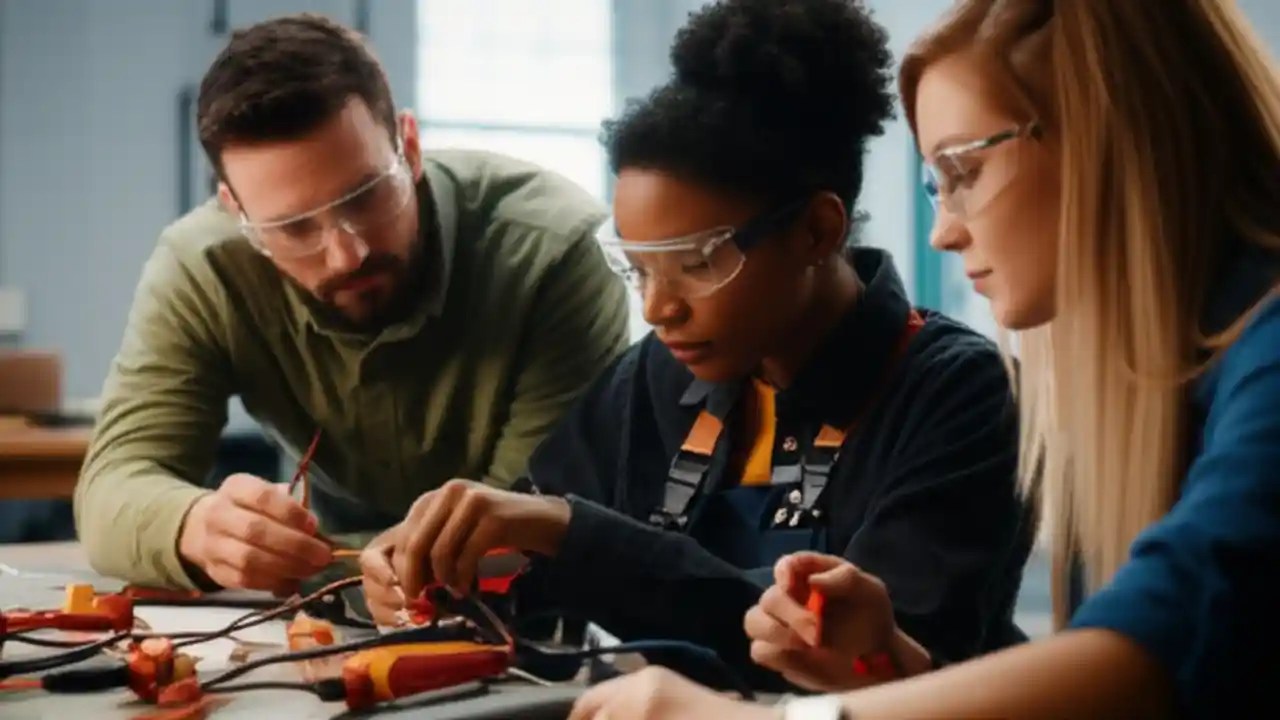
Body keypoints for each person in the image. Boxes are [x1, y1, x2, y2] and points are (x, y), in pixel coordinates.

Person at [567, 0, 1280, 717]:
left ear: (1111, 141)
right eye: (935, 184)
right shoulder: (1165, 384)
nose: (943, 232)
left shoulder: (1263, 355)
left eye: (964, 171)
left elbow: (1156, 651)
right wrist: (887, 668)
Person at [360, 0, 1032, 691]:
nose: (658, 309)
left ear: (816, 232)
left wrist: (570, 533)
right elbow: (532, 559)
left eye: (697, 263)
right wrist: (444, 568)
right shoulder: (656, 376)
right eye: (639, 269)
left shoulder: (960, 392)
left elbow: (862, 659)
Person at [73, 14, 629, 594]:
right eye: (293, 227)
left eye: (365, 196)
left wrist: (320, 570)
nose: (346, 255)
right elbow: (113, 488)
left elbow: (532, 529)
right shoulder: (203, 266)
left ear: (409, 147)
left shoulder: (555, 249)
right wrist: (195, 526)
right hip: (316, 605)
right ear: (238, 212)